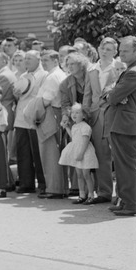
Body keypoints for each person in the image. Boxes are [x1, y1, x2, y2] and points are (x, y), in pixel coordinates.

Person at [82, 37, 123, 205]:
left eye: (109, 49)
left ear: (115, 52)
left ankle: (121, 193)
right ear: (98, 49)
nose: (104, 51)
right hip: (96, 115)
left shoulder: (120, 67)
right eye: (102, 48)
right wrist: (86, 112)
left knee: (119, 155)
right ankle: (105, 192)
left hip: (115, 114)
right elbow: (87, 94)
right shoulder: (92, 69)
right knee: (102, 155)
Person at [104, 36, 136, 216]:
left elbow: (113, 96)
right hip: (122, 123)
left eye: (125, 51)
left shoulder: (133, 72)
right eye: (121, 50)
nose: (120, 54)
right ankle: (125, 200)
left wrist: (112, 94)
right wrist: (113, 93)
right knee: (122, 165)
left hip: (125, 125)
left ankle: (131, 204)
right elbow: (111, 94)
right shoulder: (129, 70)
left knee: (126, 166)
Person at [12, 50, 47, 194]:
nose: (26, 61)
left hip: (34, 118)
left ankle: (43, 183)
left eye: (30, 59)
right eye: (25, 59)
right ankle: (26, 182)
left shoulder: (44, 75)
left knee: (38, 153)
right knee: (23, 152)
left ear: (38, 60)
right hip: (21, 119)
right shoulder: (23, 75)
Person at [35, 49, 68, 199]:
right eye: (42, 60)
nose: (43, 63)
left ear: (56, 61)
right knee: (55, 152)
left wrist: (34, 112)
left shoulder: (53, 76)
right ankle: (58, 188)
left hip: (50, 113)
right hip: (54, 113)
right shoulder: (56, 74)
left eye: (46, 60)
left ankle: (55, 189)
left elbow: (46, 100)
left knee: (50, 153)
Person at [57, 51, 90, 194]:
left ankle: (99, 190)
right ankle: (79, 190)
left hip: (93, 117)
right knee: (79, 153)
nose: (69, 67)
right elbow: (65, 104)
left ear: (81, 64)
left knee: (94, 154)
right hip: (77, 120)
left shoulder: (91, 76)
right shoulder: (65, 83)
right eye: (67, 64)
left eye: (73, 64)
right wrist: (66, 116)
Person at [59, 103, 98, 204]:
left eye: (77, 112)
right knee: (79, 175)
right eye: (72, 113)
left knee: (86, 174)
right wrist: (67, 127)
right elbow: (73, 137)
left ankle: (91, 195)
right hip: (78, 152)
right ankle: (82, 195)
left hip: (85, 153)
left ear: (84, 115)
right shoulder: (75, 126)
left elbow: (85, 142)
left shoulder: (85, 127)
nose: (74, 115)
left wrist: (81, 153)